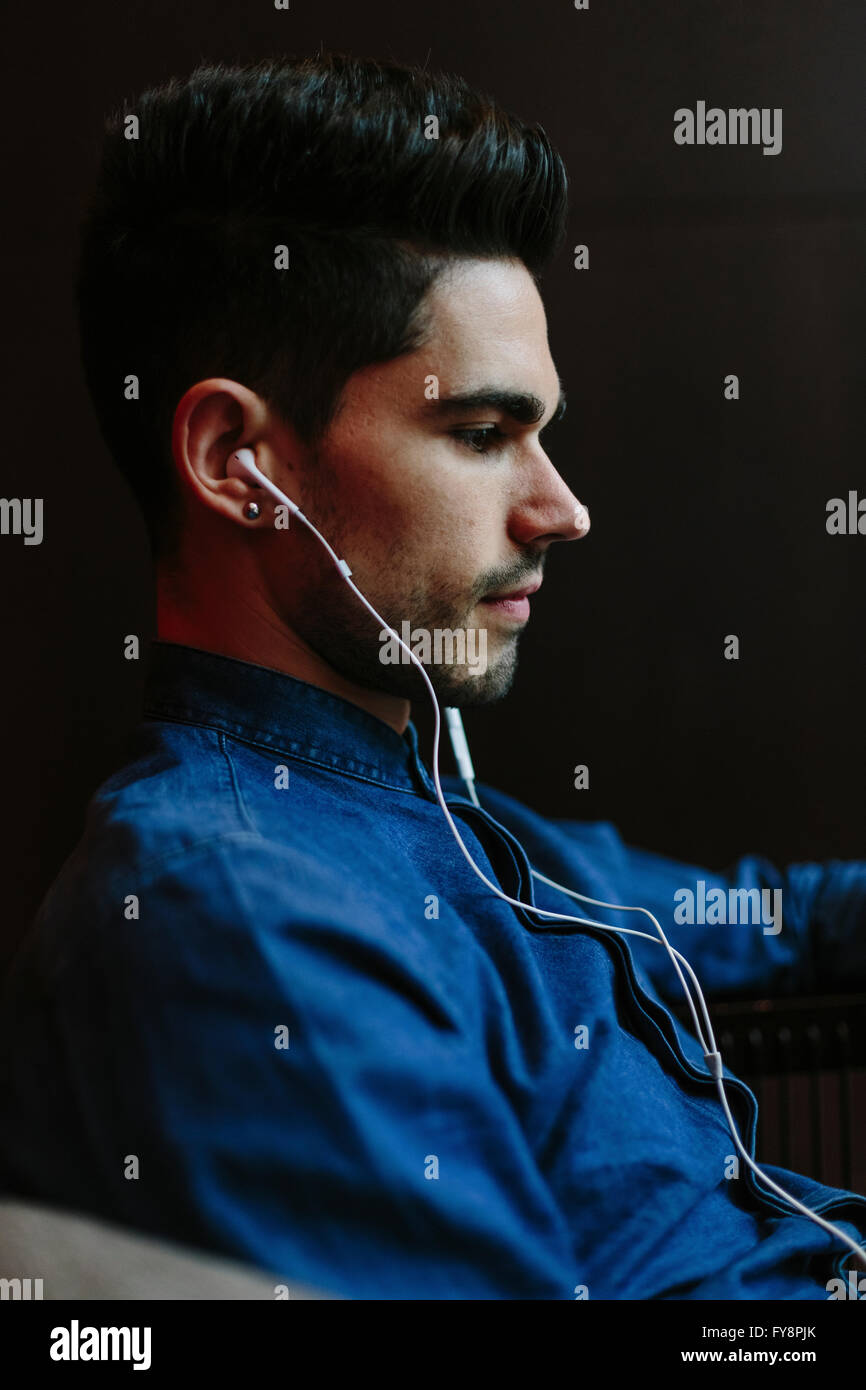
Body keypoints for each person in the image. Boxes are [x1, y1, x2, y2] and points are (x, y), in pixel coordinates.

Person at [0, 53, 864, 1301]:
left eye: (539, 432)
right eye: (479, 435)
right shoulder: (237, 916)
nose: (561, 508)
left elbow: (761, 913)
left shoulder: (446, 825)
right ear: (238, 462)